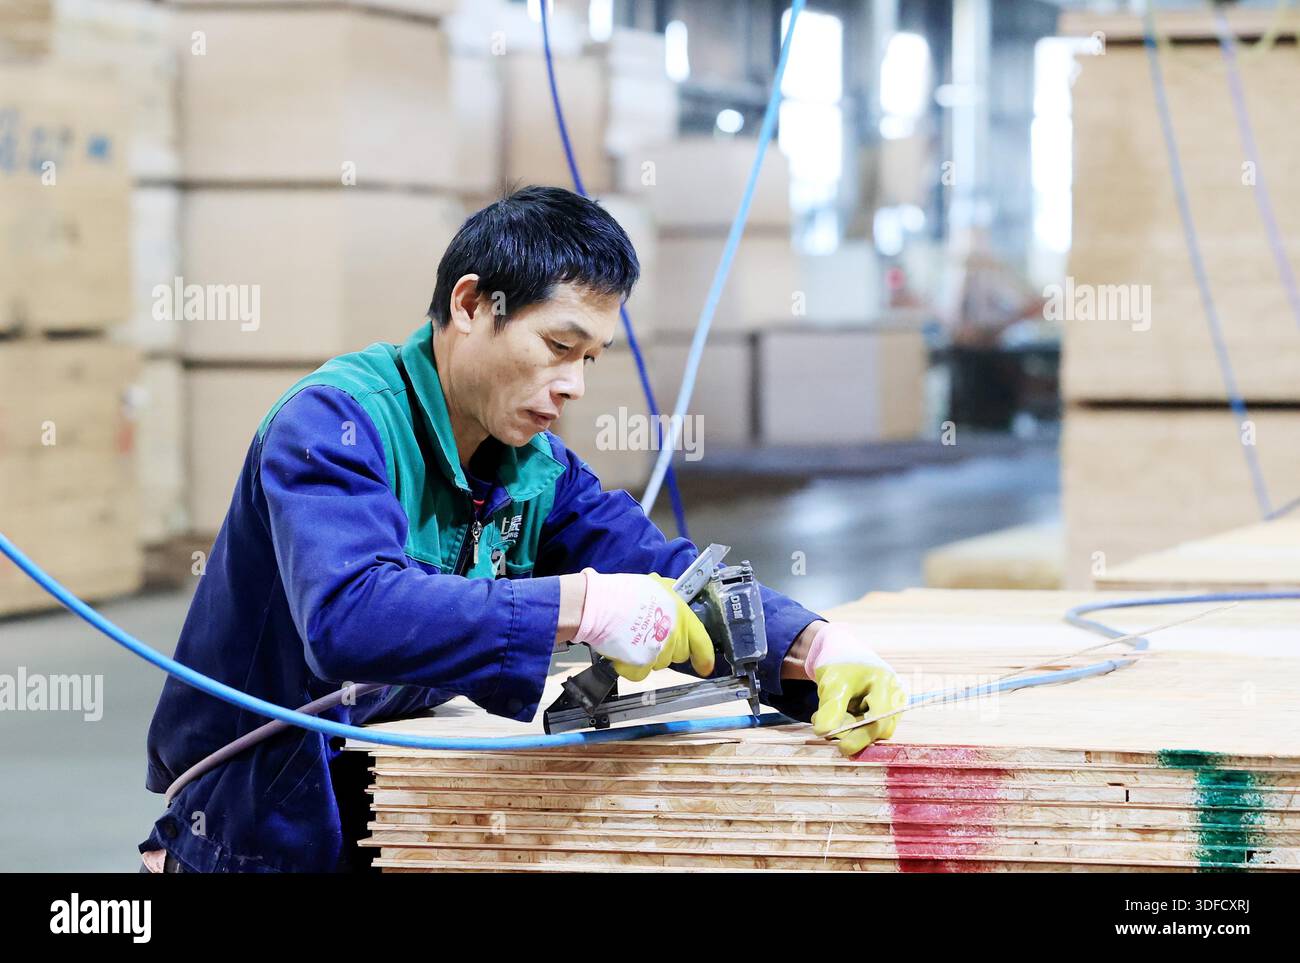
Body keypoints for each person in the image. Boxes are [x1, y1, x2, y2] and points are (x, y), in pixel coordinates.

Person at [138, 186, 906, 873]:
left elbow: (662, 566)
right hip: (249, 823)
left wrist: (808, 644)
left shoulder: (531, 465)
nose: (572, 384)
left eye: (590, 359)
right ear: (471, 305)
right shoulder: (335, 423)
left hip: (389, 790)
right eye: (558, 346)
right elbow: (350, 616)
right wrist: (583, 606)